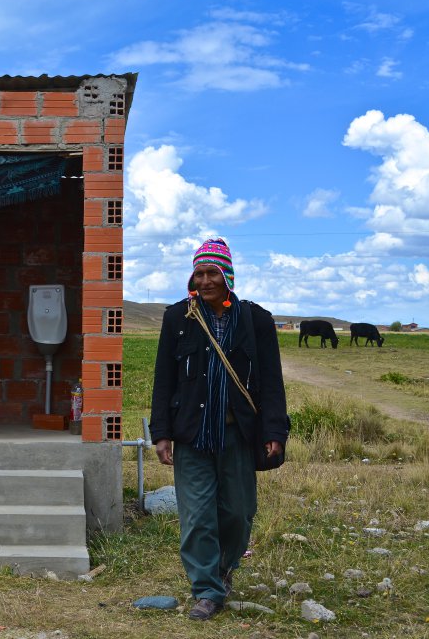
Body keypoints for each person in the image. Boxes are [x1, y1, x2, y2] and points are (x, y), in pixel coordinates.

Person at [149, 238, 289, 621]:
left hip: (237, 433)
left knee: (238, 513)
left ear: (228, 275)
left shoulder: (255, 320)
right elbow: (164, 379)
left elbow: (271, 382)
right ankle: (207, 590)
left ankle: (225, 570)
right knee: (197, 516)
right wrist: (161, 432)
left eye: (213, 273)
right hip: (191, 434)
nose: (205, 280)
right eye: (199, 273)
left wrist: (274, 429)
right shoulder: (179, 317)